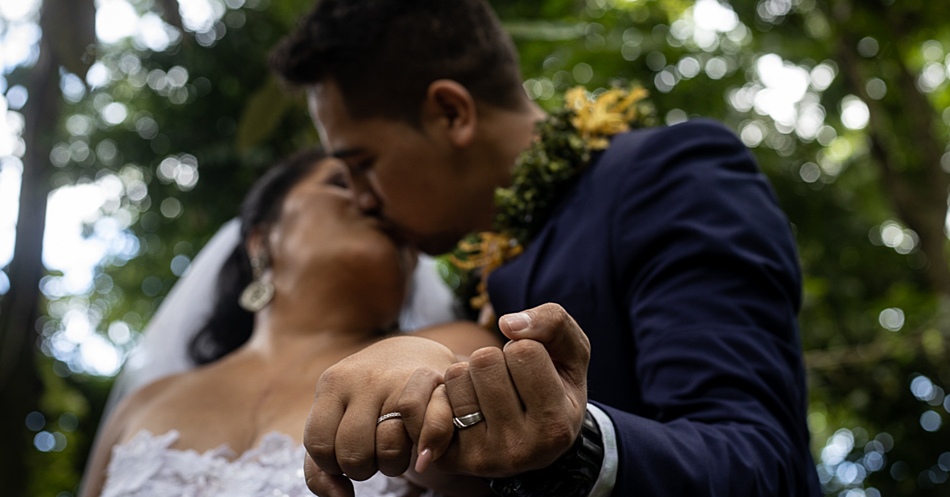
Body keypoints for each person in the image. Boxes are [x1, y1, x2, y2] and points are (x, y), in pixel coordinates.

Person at [269, 0, 823, 496]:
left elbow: (762, 464)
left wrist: (579, 451)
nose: (363, 201)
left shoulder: (667, 173)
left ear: (451, 113)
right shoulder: (471, 275)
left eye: (363, 165)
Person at [81, 148, 499, 497]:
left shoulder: (451, 345)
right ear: (260, 241)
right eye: (340, 183)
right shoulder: (144, 403)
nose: (373, 201)